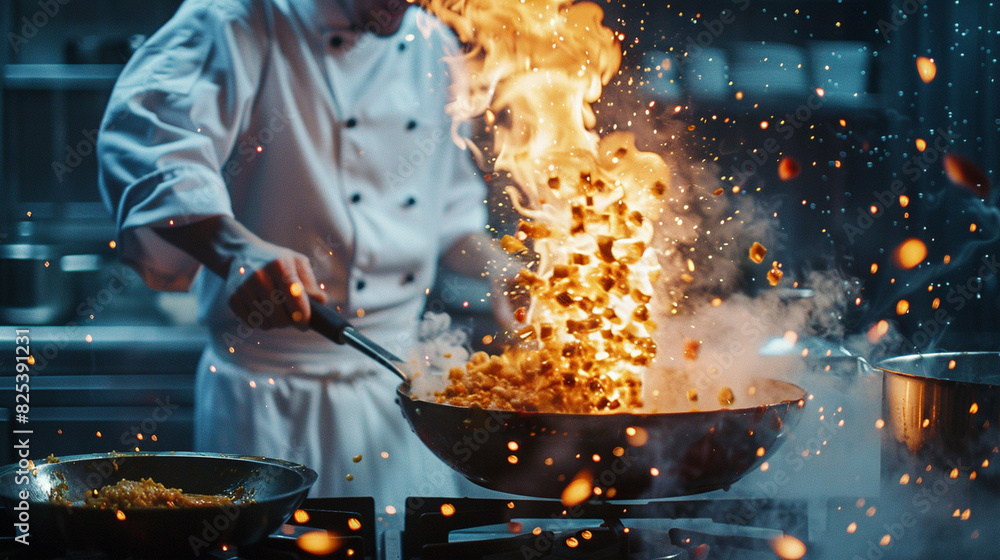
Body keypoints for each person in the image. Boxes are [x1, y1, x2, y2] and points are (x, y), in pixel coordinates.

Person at [97, 0, 513, 516]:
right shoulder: (236, 20)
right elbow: (149, 149)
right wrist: (235, 248)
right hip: (267, 398)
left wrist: (504, 272)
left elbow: (451, 216)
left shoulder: (436, 45)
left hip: (404, 391)